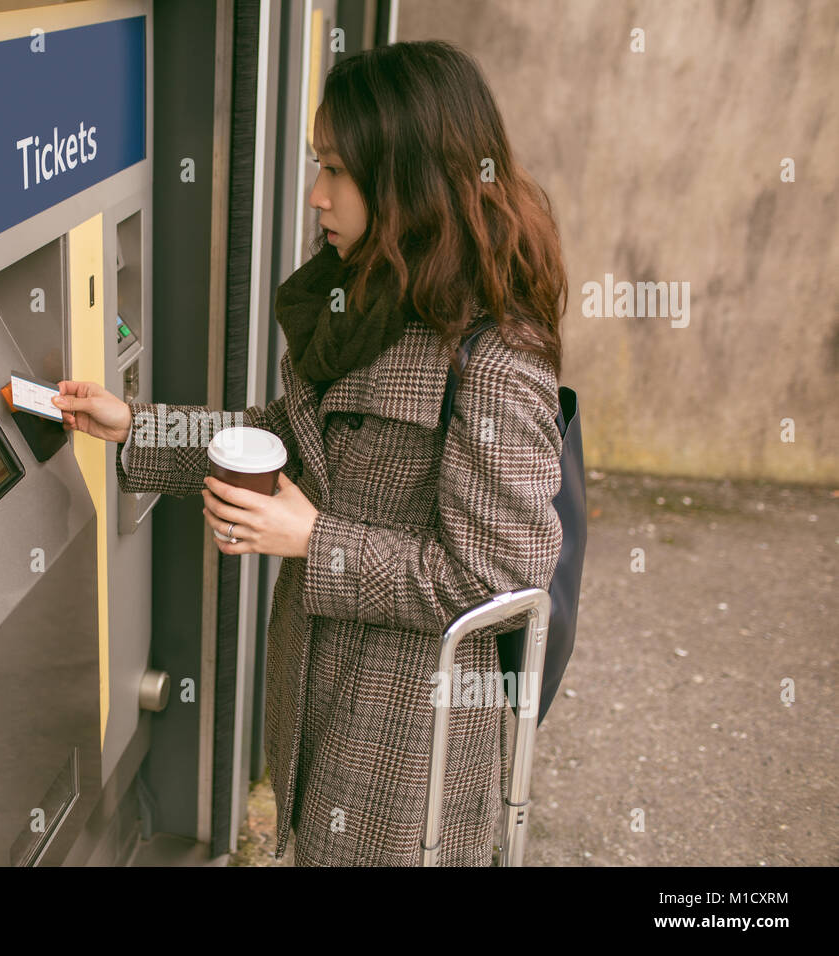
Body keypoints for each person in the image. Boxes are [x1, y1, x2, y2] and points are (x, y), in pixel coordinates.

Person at [51, 40, 566, 866]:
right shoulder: (369, 289)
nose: (314, 194)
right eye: (316, 163)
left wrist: (314, 541)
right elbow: (286, 435)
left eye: (336, 170)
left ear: (406, 180)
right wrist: (137, 427)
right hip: (325, 692)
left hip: (407, 739)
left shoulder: (494, 357)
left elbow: (501, 578)